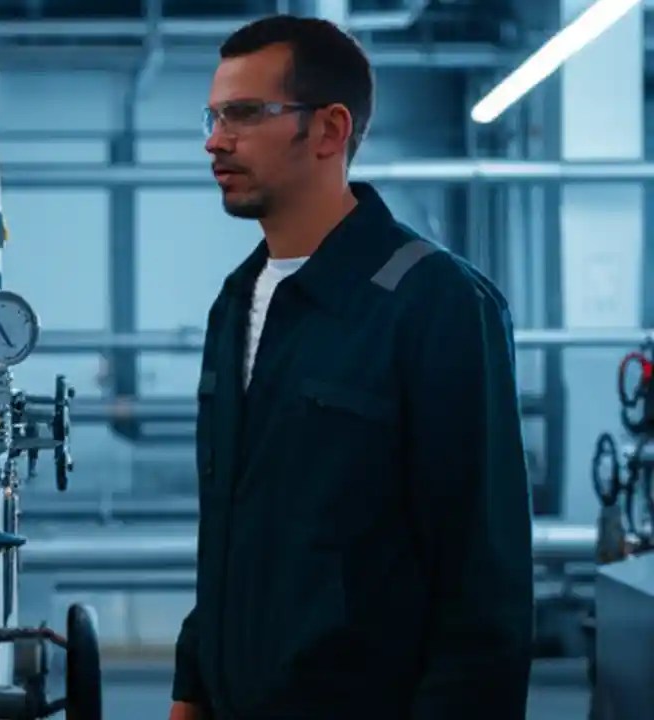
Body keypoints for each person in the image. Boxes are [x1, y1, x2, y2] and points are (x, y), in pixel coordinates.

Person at [169, 15, 535, 720]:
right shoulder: (236, 304)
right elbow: (225, 536)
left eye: (245, 114)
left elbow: (483, 589)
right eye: (213, 116)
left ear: (330, 131)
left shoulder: (438, 304)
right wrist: (191, 691)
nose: (215, 140)